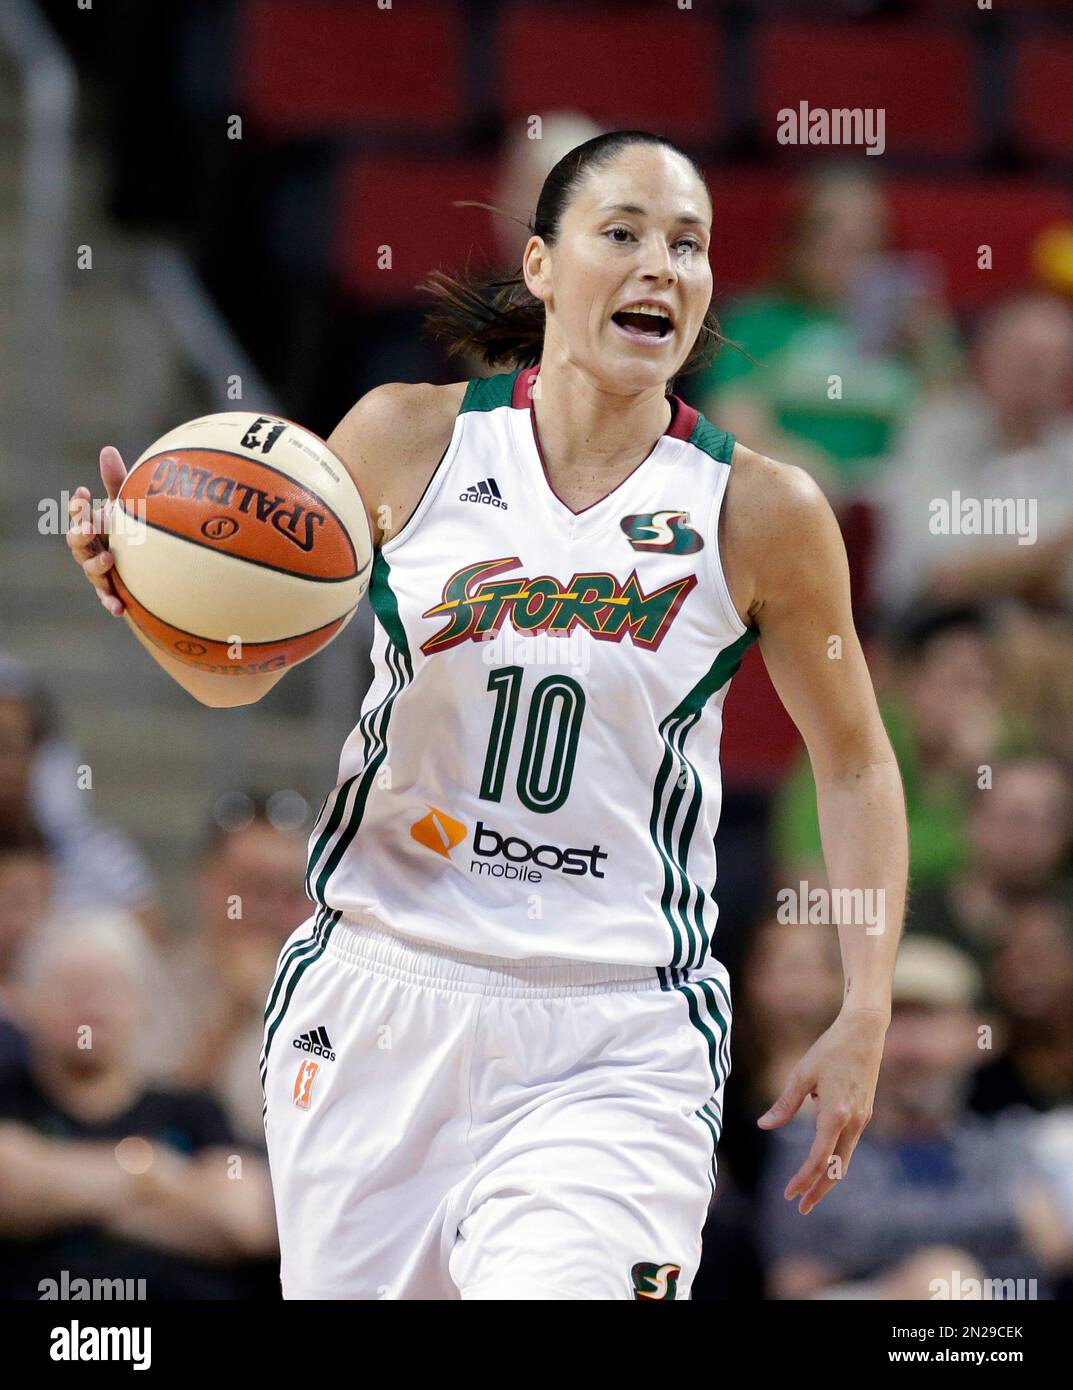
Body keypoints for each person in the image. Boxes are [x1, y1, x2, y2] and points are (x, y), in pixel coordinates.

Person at [66, 130, 907, 1301]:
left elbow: (856, 762)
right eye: (621, 233)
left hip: (614, 1022)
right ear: (542, 266)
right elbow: (243, 674)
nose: (660, 264)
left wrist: (866, 999)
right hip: (379, 987)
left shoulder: (759, 510)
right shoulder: (404, 437)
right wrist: (157, 607)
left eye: (689, 243)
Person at [0, 913, 276, 1299]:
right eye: (69, 989)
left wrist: (60, 1193)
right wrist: (149, 1171)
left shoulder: (191, 1111)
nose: (89, 1006)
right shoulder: (9, 1100)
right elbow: (8, 1188)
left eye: (107, 988)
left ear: (141, 1002)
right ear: (26, 1003)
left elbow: (246, 1221)